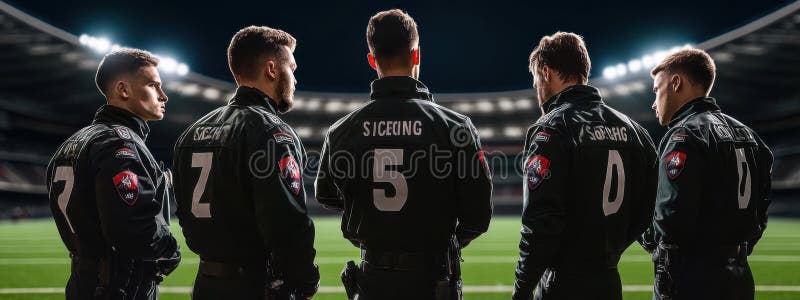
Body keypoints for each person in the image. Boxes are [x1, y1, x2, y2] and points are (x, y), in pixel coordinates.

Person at [314, 9, 493, 300]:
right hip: (432, 280)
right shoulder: (455, 127)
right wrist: (448, 241)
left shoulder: (341, 130)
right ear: (416, 55)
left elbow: (325, 195)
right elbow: (478, 215)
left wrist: (368, 216)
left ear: (372, 60)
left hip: (373, 279)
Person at [172, 26, 319, 299]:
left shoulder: (190, 133)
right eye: (292, 68)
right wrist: (305, 280)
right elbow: (287, 223)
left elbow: (183, 213)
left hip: (205, 283)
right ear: (272, 69)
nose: (295, 79)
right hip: (254, 286)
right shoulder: (271, 132)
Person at [512, 32, 658, 300]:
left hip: (563, 284)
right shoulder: (635, 130)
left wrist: (522, 288)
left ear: (546, 72)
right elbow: (648, 209)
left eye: (536, 82)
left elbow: (541, 222)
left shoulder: (551, 128)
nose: (538, 91)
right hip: (609, 280)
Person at [46, 48, 180, 300]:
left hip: (82, 279)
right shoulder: (120, 145)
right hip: (119, 286)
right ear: (123, 90)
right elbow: (134, 227)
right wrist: (171, 250)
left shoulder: (72, 143)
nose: (164, 96)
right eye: (153, 85)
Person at [640, 48, 773, 300]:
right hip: (740, 275)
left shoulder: (684, 135)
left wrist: (645, 236)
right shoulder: (749, 135)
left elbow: (671, 219)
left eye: (657, 90)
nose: (654, 101)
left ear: (676, 83)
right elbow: (762, 205)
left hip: (692, 277)